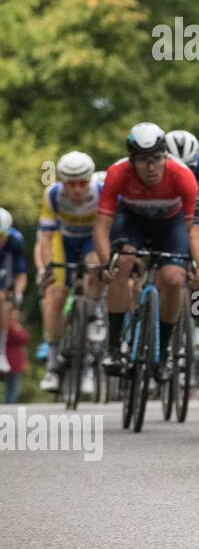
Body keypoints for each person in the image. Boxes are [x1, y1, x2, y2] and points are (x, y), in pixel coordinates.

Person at [94, 125, 196, 387]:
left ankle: (163, 356)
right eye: (143, 160)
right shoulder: (118, 173)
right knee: (122, 264)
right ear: (132, 161)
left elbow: (191, 229)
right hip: (131, 223)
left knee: (174, 279)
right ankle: (113, 348)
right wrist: (108, 263)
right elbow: (102, 226)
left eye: (156, 159)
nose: (151, 167)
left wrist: (192, 262)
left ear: (165, 157)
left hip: (170, 226)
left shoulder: (182, 175)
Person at [36, 151, 103, 395]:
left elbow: (107, 230)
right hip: (63, 241)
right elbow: (44, 238)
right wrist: (46, 269)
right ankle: (52, 365)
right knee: (56, 295)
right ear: (63, 182)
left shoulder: (102, 191)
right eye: (71, 184)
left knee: (94, 267)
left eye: (82, 183)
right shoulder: (52, 195)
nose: (76, 190)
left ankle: (93, 316)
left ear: (90, 180)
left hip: (91, 239)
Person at [0, 208, 26, 376]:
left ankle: (1, 352)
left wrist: (18, 293)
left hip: (4, 278)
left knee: (3, 301)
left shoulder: (15, 240)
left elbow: (20, 274)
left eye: (2, 235)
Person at [3, 311, 28, 403]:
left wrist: (25, 361)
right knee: (11, 386)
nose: (16, 316)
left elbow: (23, 346)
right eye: (13, 314)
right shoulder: (5, 327)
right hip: (8, 357)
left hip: (18, 358)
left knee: (15, 387)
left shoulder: (19, 326)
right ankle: (8, 404)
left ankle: (9, 404)